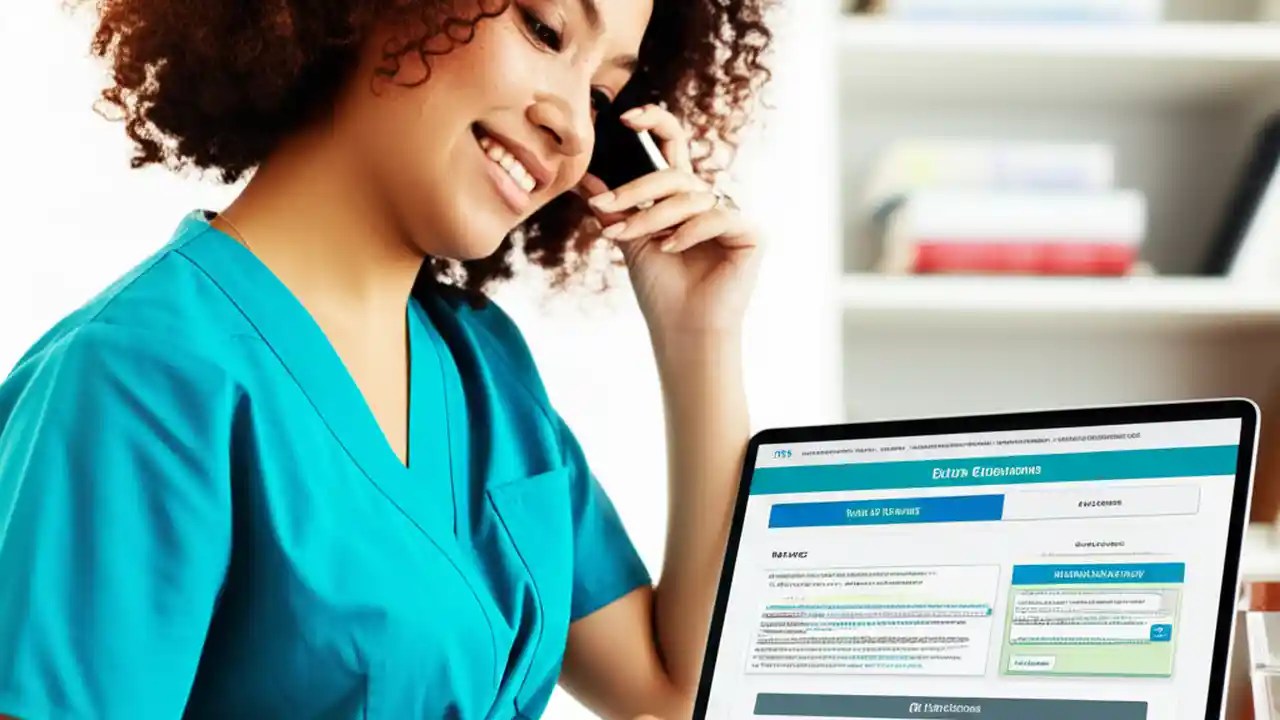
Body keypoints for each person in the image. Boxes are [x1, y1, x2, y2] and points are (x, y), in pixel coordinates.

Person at [0, 0, 772, 717]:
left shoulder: (485, 372)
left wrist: (697, 334)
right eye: (544, 29)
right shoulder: (136, 382)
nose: (575, 126)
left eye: (603, 96)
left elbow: (675, 693)